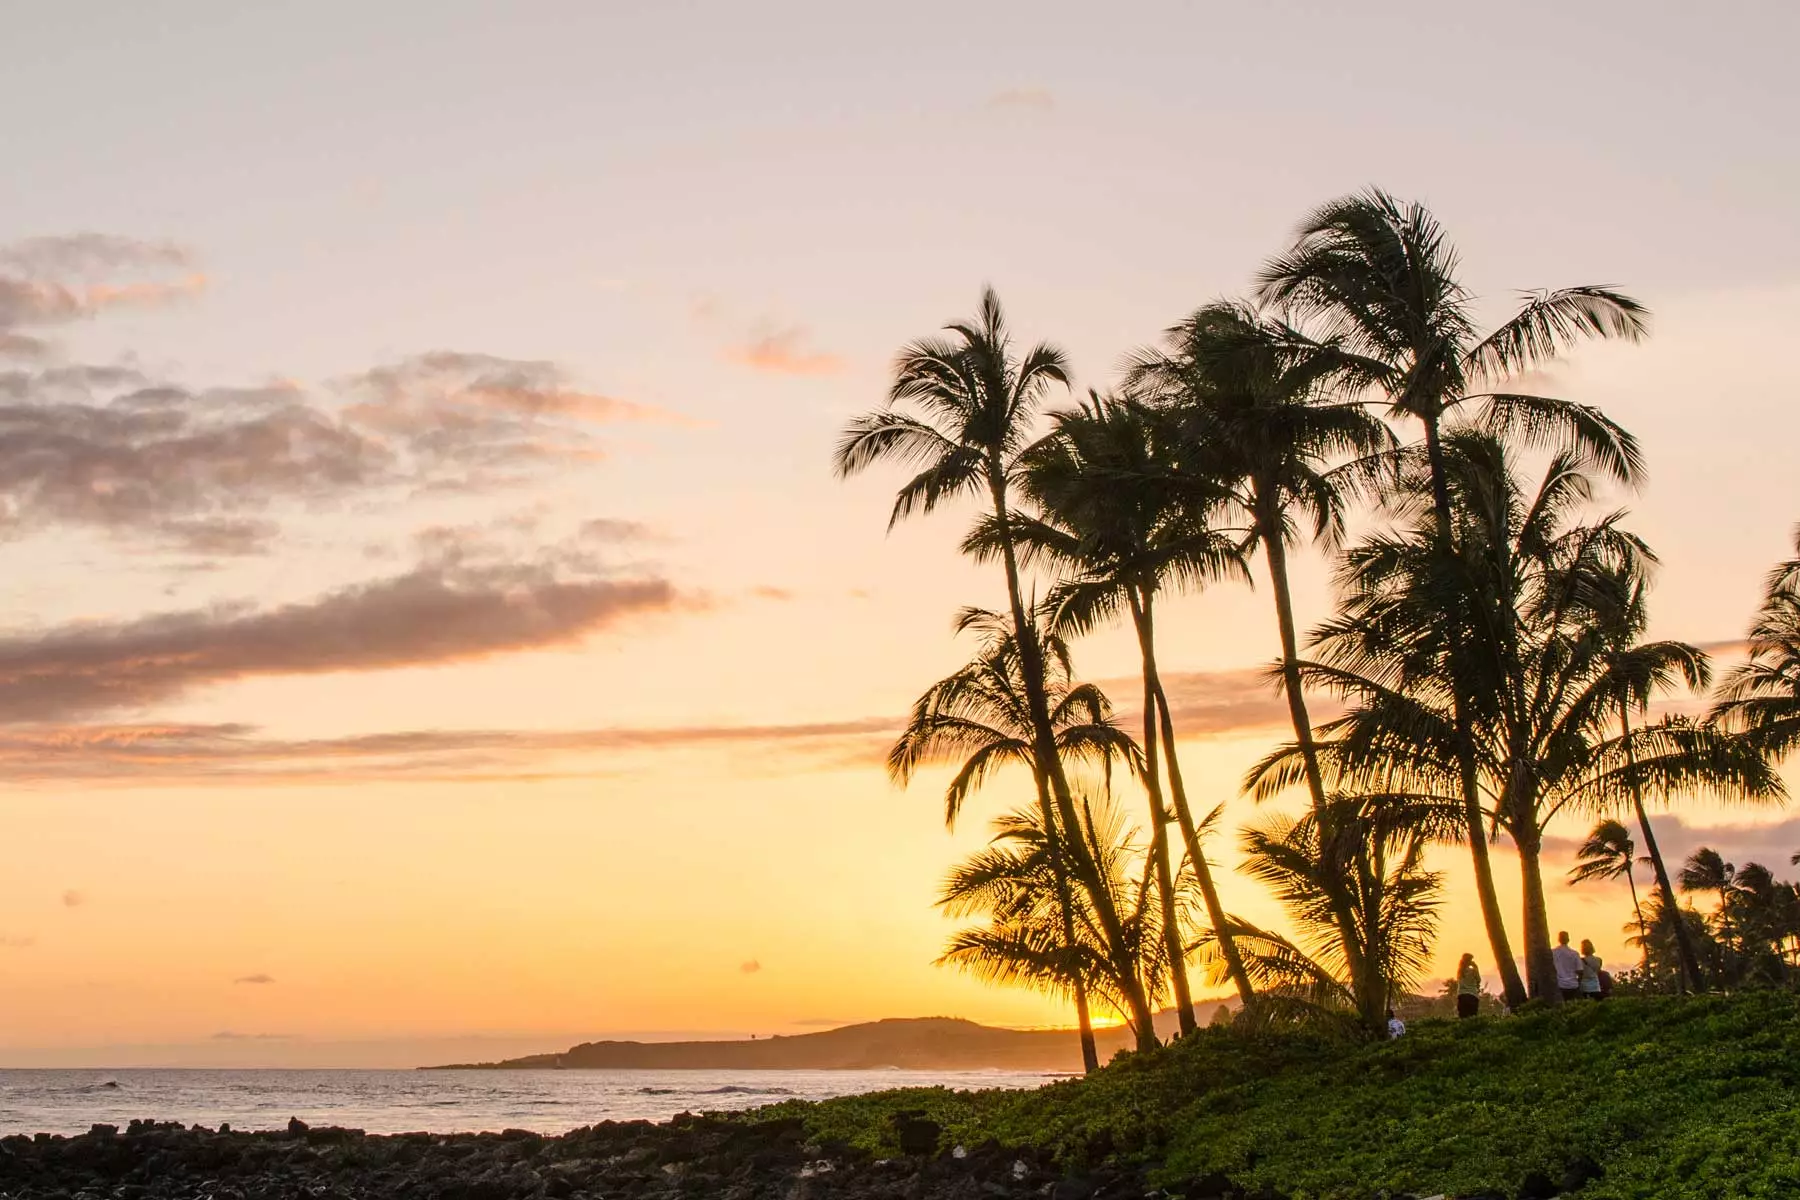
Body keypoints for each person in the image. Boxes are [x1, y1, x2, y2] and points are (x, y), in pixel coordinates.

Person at [1553, 931, 1582, 1001]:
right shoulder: (1575, 954)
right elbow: (1580, 970)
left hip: (1559, 984)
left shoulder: (1553, 952)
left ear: (1559, 940)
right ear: (1568, 940)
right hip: (1573, 985)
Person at [1455, 953, 1482, 1019]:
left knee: (1463, 1017)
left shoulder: (1460, 971)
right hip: (1472, 995)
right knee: (1472, 1017)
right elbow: (1478, 980)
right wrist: (1476, 967)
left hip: (1462, 995)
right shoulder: (1473, 971)